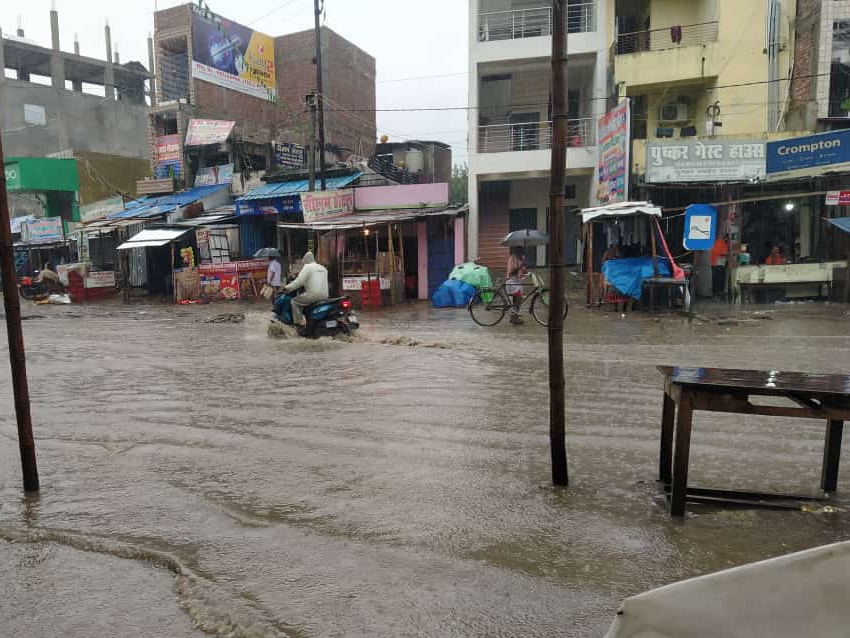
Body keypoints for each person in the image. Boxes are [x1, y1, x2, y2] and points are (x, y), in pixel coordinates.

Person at [284, 252, 329, 326]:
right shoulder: (323, 268)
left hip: (313, 295)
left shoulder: (307, 267)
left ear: (305, 260)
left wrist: (287, 288)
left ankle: (299, 324)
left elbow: (299, 281)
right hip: (325, 296)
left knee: (294, 302)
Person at [506, 247, 527, 325]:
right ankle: (513, 316)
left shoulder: (520, 258)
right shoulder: (512, 258)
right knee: (519, 298)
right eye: (521, 252)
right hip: (511, 282)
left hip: (517, 282)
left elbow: (523, 271)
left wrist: (525, 270)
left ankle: (514, 317)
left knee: (517, 300)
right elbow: (512, 271)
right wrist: (521, 265)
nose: (522, 253)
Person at [710, 234, 729, 298]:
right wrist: (729, 254)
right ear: (726, 238)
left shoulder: (718, 242)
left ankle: (716, 293)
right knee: (719, 280)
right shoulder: (721, 243)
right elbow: (723, 253)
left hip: (715, 264)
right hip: (718, 264)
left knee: (716, 279)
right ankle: (718, 293)